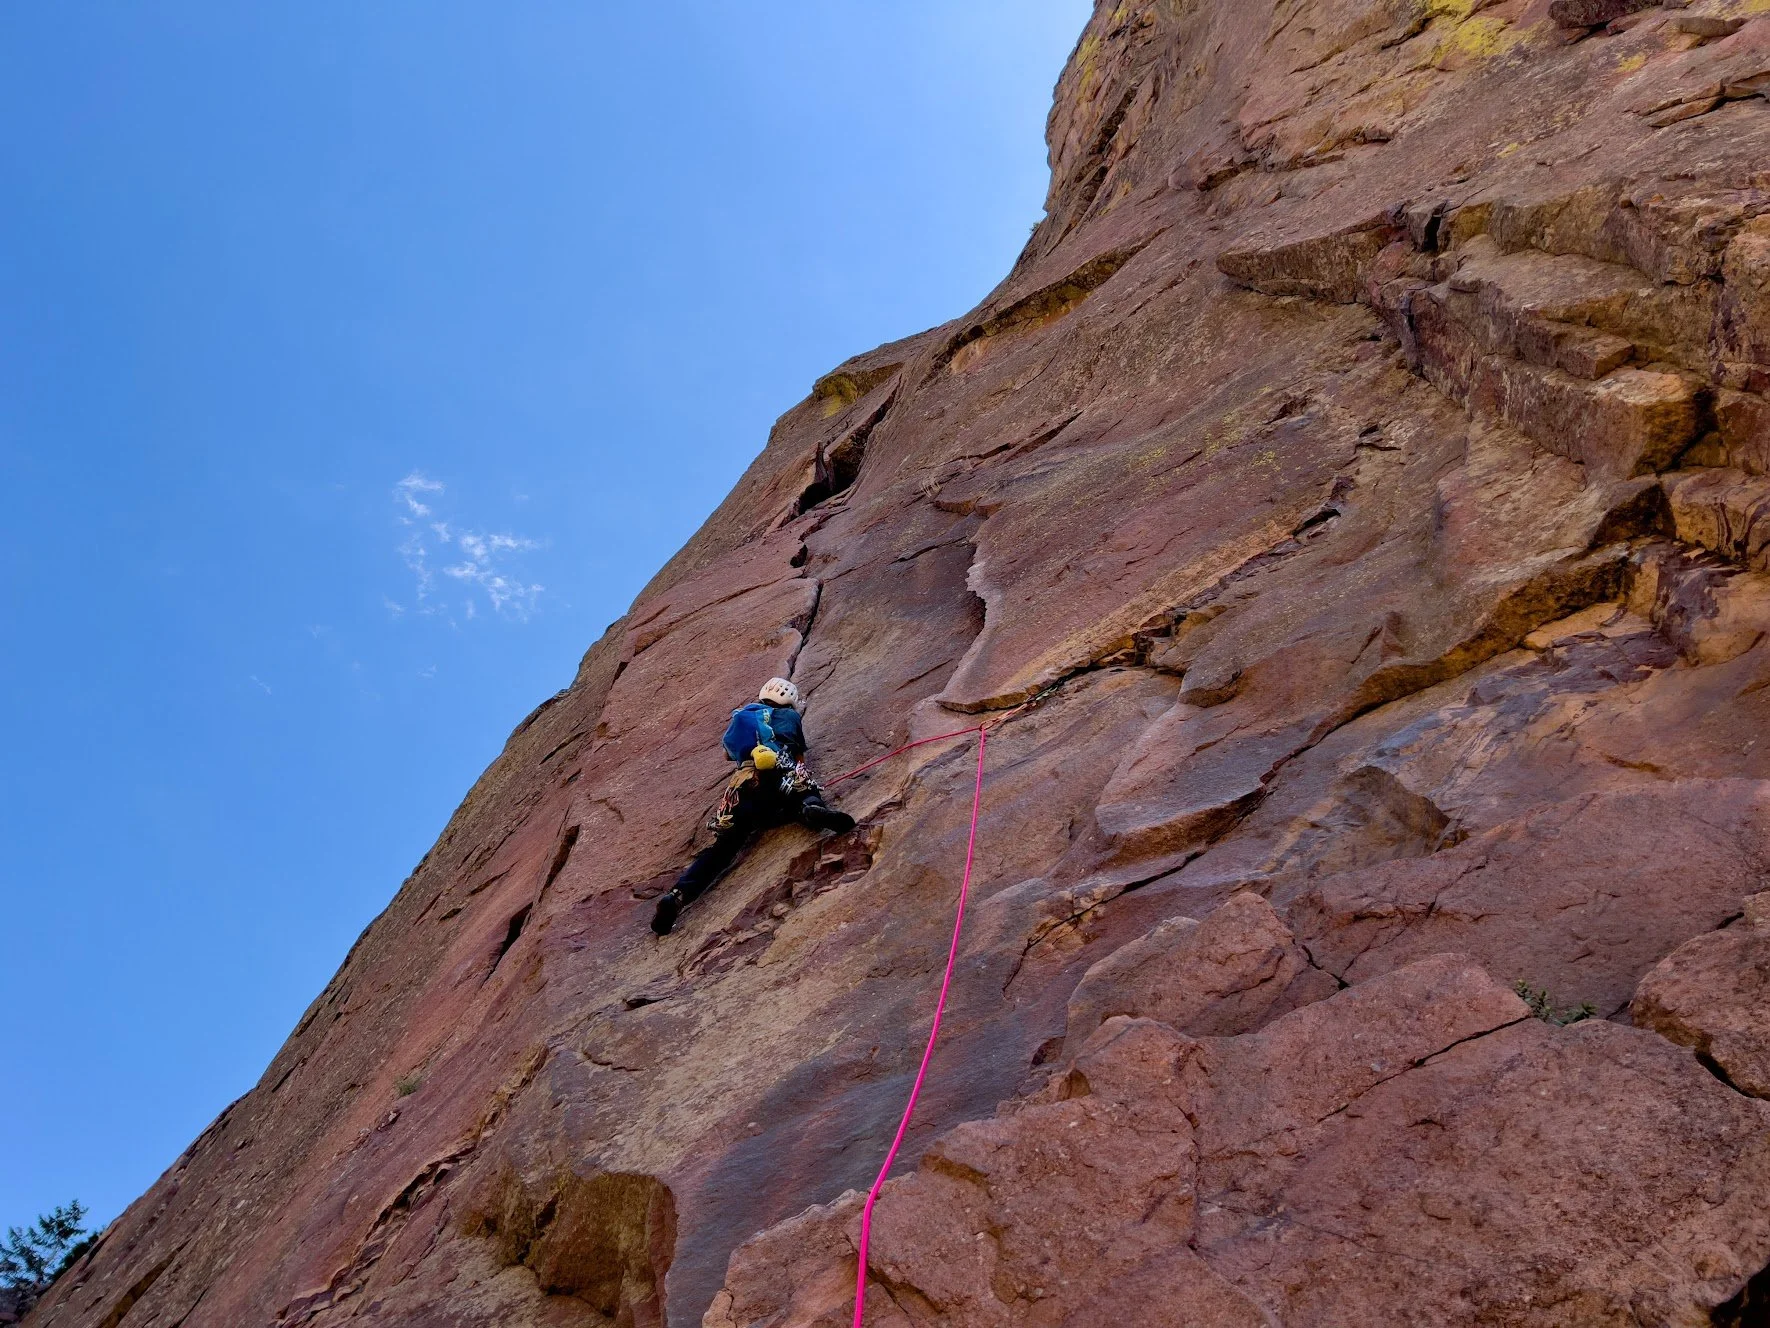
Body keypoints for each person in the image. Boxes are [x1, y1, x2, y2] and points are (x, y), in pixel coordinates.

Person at [651, 677, 855, 935]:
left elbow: (728, 753)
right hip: (777, 775)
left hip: (744, 787)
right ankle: (810, 810)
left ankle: (678, 895)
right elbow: (798, 754)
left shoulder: (743, 715)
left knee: (722, 849)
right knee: (802, 793)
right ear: (790, 701)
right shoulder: (789, 716)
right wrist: (803, 779)